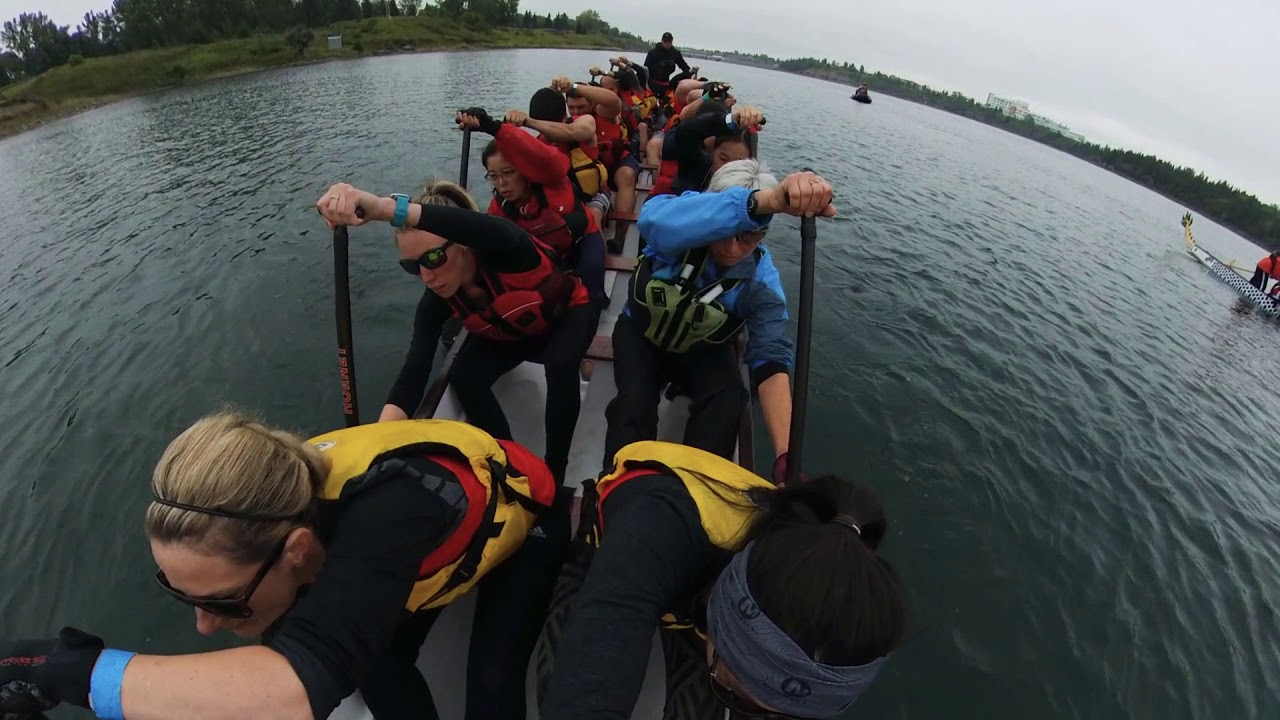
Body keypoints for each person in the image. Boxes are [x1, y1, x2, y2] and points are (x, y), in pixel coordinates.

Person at [0, 412, 571, 720]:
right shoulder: (269, 504)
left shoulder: (393, 510)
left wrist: (72, 669)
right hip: (415, 561)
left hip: (525, 532)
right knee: (375, 665)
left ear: (297, 549)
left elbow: (295, 692)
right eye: (185, 597)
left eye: (223, 600)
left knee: (493, 694)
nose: (204, 626)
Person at [536, 440, 908, 719]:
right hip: (612, 552)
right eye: (733, 692)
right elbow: (591, 674)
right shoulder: (658, 526)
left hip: (703, 605)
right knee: (557, 676)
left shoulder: (803, 566)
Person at [316, 181, 597, 485]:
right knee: (464, 374)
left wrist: (385, 209)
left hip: (565, 318)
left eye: (434, 259)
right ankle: (510, 461)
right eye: (413, 267)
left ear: (464, 244)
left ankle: (554, 469)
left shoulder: (510, 248)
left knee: (561, 362)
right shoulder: (435, 302)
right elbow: (414, 370)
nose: (427, 277)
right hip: (514, 333)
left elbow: (486, 229)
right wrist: (373, 444)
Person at [603, 162, 835, 478]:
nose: (731, 247)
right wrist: (759, 203)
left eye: (747, 237)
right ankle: (616, 487)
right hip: (640, 336)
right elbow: (650, 220)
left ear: (763, 235)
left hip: (700, 352)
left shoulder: (761, 284)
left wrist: (785, 456)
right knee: (633, 404)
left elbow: (770, 361)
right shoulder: (677, 225)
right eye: (724, 232)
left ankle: (697, 493)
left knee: (729, 399)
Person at [456, 107, 608, 308]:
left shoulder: (553, 180)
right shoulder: (499, 207)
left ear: (524, 170)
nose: (501, 183)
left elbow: (542, 157)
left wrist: (493, 127)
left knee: (592, 287)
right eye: (493, 176)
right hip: (547, 258)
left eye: (508, 172)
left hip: (581, 242)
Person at [559, 74, 641, 253]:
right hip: (596, 172)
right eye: (571, 108)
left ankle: (620, 237)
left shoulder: (602, 113)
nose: (576, 113)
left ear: (592, 104)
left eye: (581, 107)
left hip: (618, 163)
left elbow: (614, 103)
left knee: (627, 175)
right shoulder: (568, 124)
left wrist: (573, 86)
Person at [522, 84, 611, 229]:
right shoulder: (537, 143)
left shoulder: (583, 123)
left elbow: (580, 131)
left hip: (593, 196)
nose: (547, 132)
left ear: (564, 118)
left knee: (593, 215)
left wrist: (529, 122)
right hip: (560, 201)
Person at [652, 102, 765, 198]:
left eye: (738, 163)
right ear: (713, 151)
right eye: (723, 159)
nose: (727, 169)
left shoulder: (753, 194)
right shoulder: (696, 168)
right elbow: (685, 133)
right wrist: (731, 120)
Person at [644, 32, 692, 98]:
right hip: (653, 83)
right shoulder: (653, 52)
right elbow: (645, 69)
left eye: (669, 41)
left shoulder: (675, 53)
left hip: (667, 84)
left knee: (687, 73)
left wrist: (691, 72)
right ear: (662, 41)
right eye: (665, 41)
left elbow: (684, 66)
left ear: (672, 41)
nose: (667, 43)